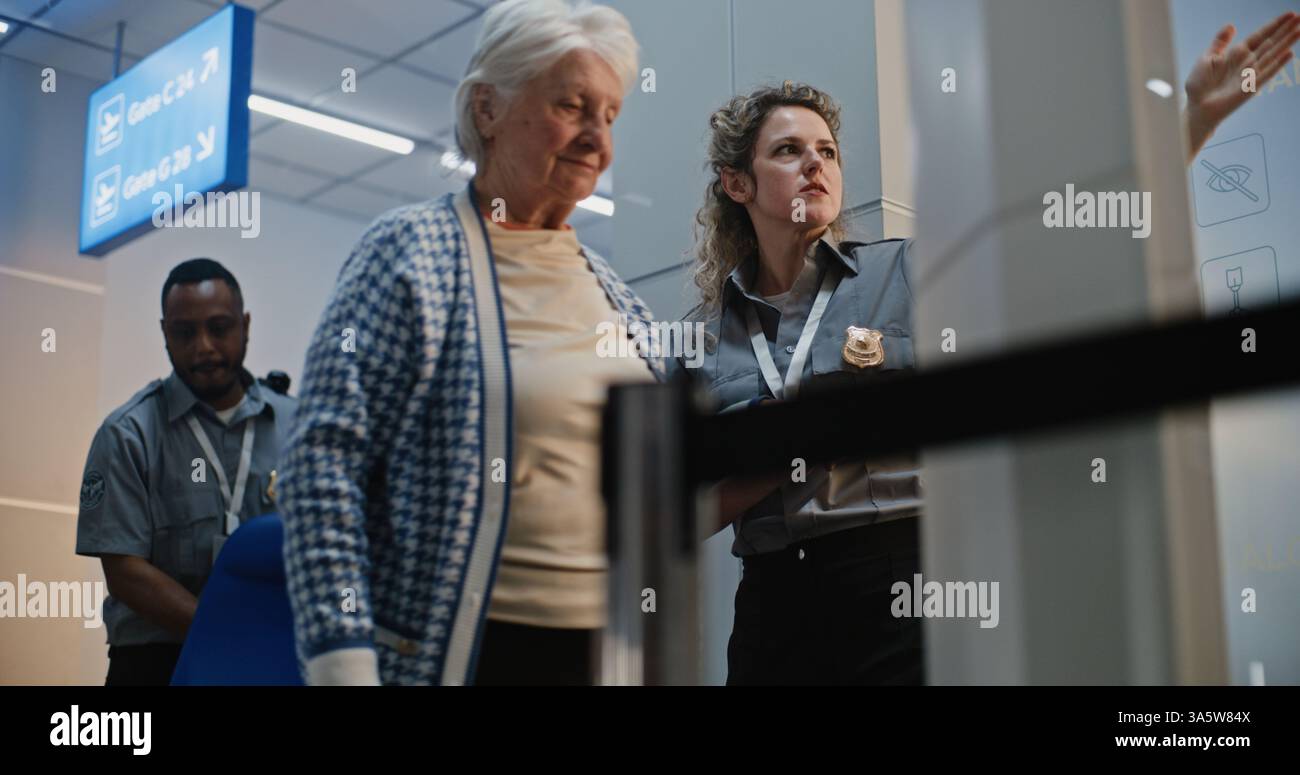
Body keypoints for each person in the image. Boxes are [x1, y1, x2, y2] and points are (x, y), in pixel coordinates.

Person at [673, 12, 1300, 685]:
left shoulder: (908, 273)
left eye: (827, 151)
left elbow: (1056, 248)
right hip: (771, 604)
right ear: (738, 184)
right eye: (789, 151)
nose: (815, 166)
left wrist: (1191, 123)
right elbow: (682, 513)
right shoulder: (706, 336)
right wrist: (790, 437)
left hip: (901, 582)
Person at [279, 0, 659, 686]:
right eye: (572, 106)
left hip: (607, 652)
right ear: (487, 108)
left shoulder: (620, 300)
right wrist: (341, 656)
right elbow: (323, 464)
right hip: (464, 653)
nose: (596, 140)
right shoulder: (410, 253)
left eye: (609, 117)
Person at [75, 258, 298, 685]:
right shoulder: (129, 434)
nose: (204, 347)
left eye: (219, 328)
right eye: (184, 333)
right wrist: (223, 634)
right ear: (164, 334)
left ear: (245, 325)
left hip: (275, 659)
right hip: (156, 662)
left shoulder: (298, 425)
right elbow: (124, 570)